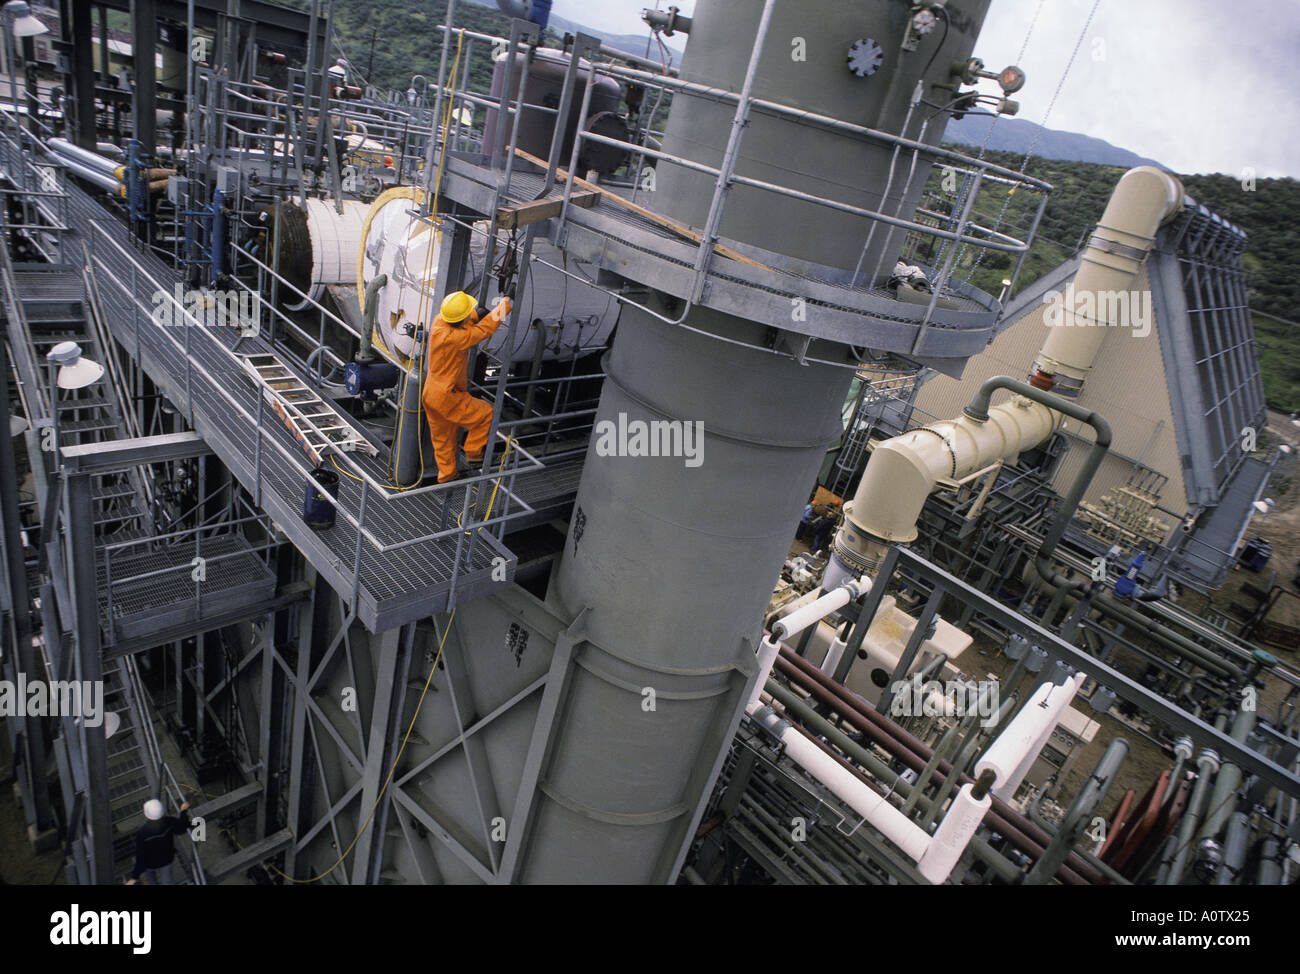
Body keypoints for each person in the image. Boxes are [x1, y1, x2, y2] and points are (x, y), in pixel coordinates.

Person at [421, 290, 514, 484]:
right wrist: (504, 304)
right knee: (486, 414)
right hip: (448, 396)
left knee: (443, 439)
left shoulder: (439, 323)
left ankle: (446, 476)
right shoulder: (458, 339)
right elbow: (485, 330)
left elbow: (460, 322)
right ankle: (473, 453)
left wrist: (474, 314)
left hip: (431, 393)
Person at [127, 798, 191, 885]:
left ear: (146, 814)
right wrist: (183, 811)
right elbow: (182, 827)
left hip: (149, 864)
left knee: (151, 880)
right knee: (167, 881)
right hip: (166, 859)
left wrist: (134, 877)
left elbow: (140, 856)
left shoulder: (143, 833)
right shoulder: (169, 822)